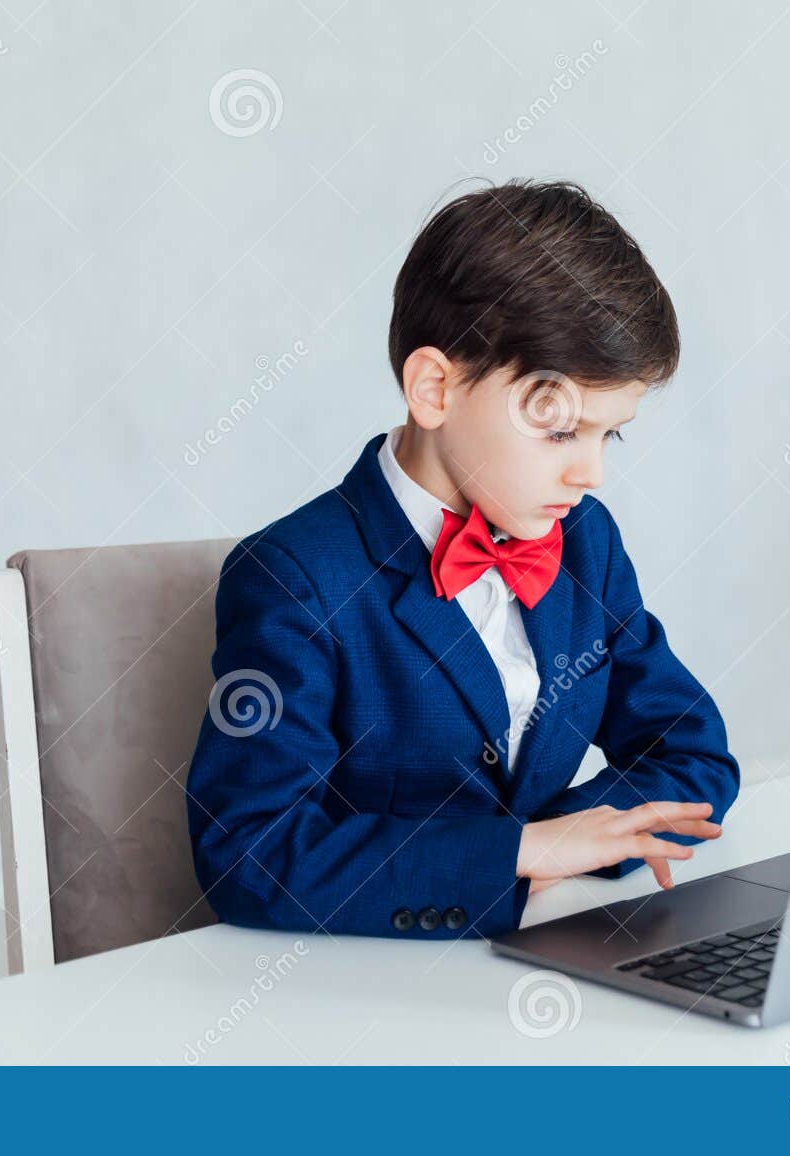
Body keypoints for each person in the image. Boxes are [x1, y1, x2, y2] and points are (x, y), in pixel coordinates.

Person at [186, 179, 738, 939]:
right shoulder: (295, 579)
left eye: (607, 436)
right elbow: (251, 854)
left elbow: (692, 753)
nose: (591, 474)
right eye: (558, 431)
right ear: (435, 388)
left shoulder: (586, 544)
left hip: (558, 945)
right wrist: (517, 851)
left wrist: (566, 843)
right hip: (361, 998)